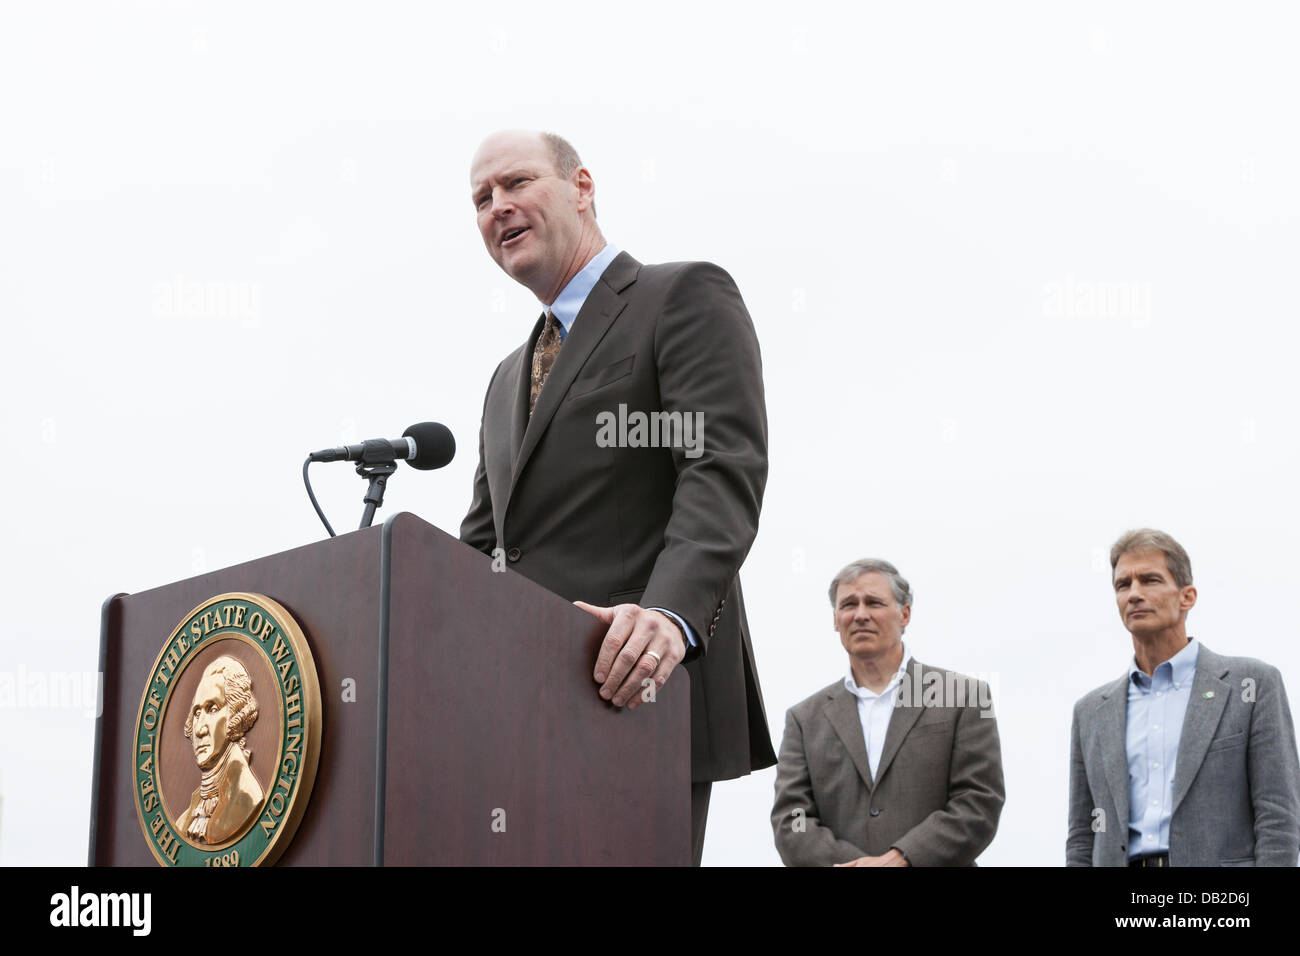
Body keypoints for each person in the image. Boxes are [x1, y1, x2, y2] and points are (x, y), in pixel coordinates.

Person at [459, 130, 774, 865]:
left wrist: (669, 616)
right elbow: (483, 546)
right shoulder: (506, 377)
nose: (497, 207)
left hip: (636, 688)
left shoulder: (681, 296)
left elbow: (719, 470)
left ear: (581, 185)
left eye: (515, 183)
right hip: (519, 719)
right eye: (480, 199)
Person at [1067, 528, 1300, 866]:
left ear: (1187, 596)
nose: (1134, 594)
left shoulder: (1252, 685)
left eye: (1150, 580)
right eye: (1123, 584)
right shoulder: (1090, 712)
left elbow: (1279, 817)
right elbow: (1081, 836)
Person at [772, 559, 1004, 866]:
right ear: (835, 619)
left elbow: (979, 802)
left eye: (874, 602)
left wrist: (902, 859)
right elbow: (792, 819)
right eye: (848, 604)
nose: (860, 615)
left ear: (905, 614)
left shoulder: (966, 697)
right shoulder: (804, 719)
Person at [176, 655, 265, 845]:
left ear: (236, 714)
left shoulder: (249, 798)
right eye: (197, 713)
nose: (199, 729)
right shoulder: (184, 821)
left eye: (213, 709)